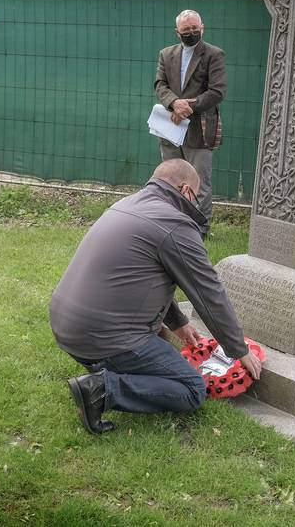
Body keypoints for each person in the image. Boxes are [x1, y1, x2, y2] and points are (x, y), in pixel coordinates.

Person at [49, 159, 262, 435]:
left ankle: (103, 373)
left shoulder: (127, 204)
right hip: (104, 337)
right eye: (197, 197)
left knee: (162, 360)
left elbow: (141, 277)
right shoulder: (175, 223)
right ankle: (102, 389)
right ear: (186, 191)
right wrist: (238, 349)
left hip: (67, 328)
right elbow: (209, 293)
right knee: (191, 388)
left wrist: (179, 323)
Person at [153, 9, 227, 224]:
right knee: (169, 180)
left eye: (195, 28)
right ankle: (171, 222)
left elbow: (217, 91)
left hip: (200, 129)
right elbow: (160, 84)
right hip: (170, 128)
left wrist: (185, 109)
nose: (191, 32)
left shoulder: (214, 54)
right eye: (186, 29)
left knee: (200, 183)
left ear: (202, 28)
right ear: (177, 32)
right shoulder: (166, 54)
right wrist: (174, 103)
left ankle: (199, 228)